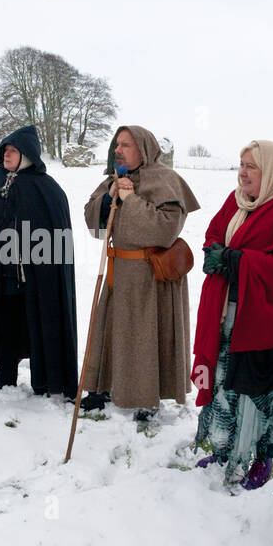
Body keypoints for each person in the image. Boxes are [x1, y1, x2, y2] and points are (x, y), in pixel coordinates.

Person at [191, 140, 273, 489]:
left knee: (259, 393)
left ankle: (261, 456)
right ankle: (225, 447)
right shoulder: (237, 201)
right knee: (225, 383)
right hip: (225, 315)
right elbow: (214, 232)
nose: (242, 172)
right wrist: (216, 250)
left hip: (266, 324)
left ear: (270, 170)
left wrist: (235, 259)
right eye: (241, 164)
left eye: (251, 166)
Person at [81, 125, 200, 421]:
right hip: (118, 271)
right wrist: (109, 198)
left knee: (145, 336)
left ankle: (148, 398)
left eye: (126, 145)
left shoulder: (166, 180)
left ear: (144, 149)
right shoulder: (114, 179)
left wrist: (131, 200)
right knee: (111, 332)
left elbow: (165, 229)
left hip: (149, 277)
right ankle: (103, 387)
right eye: (117, 145)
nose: (118, 150)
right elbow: (94, 226)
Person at [0, 126, 78, 398]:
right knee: (6, 326)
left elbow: (57, 237)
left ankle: (44, 383)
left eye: (12, 151)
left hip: (39, 276)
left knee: (40, 326)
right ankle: (6, 382)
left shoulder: (47, 188)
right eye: (5, 151)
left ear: (28, 155)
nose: (7, 155)